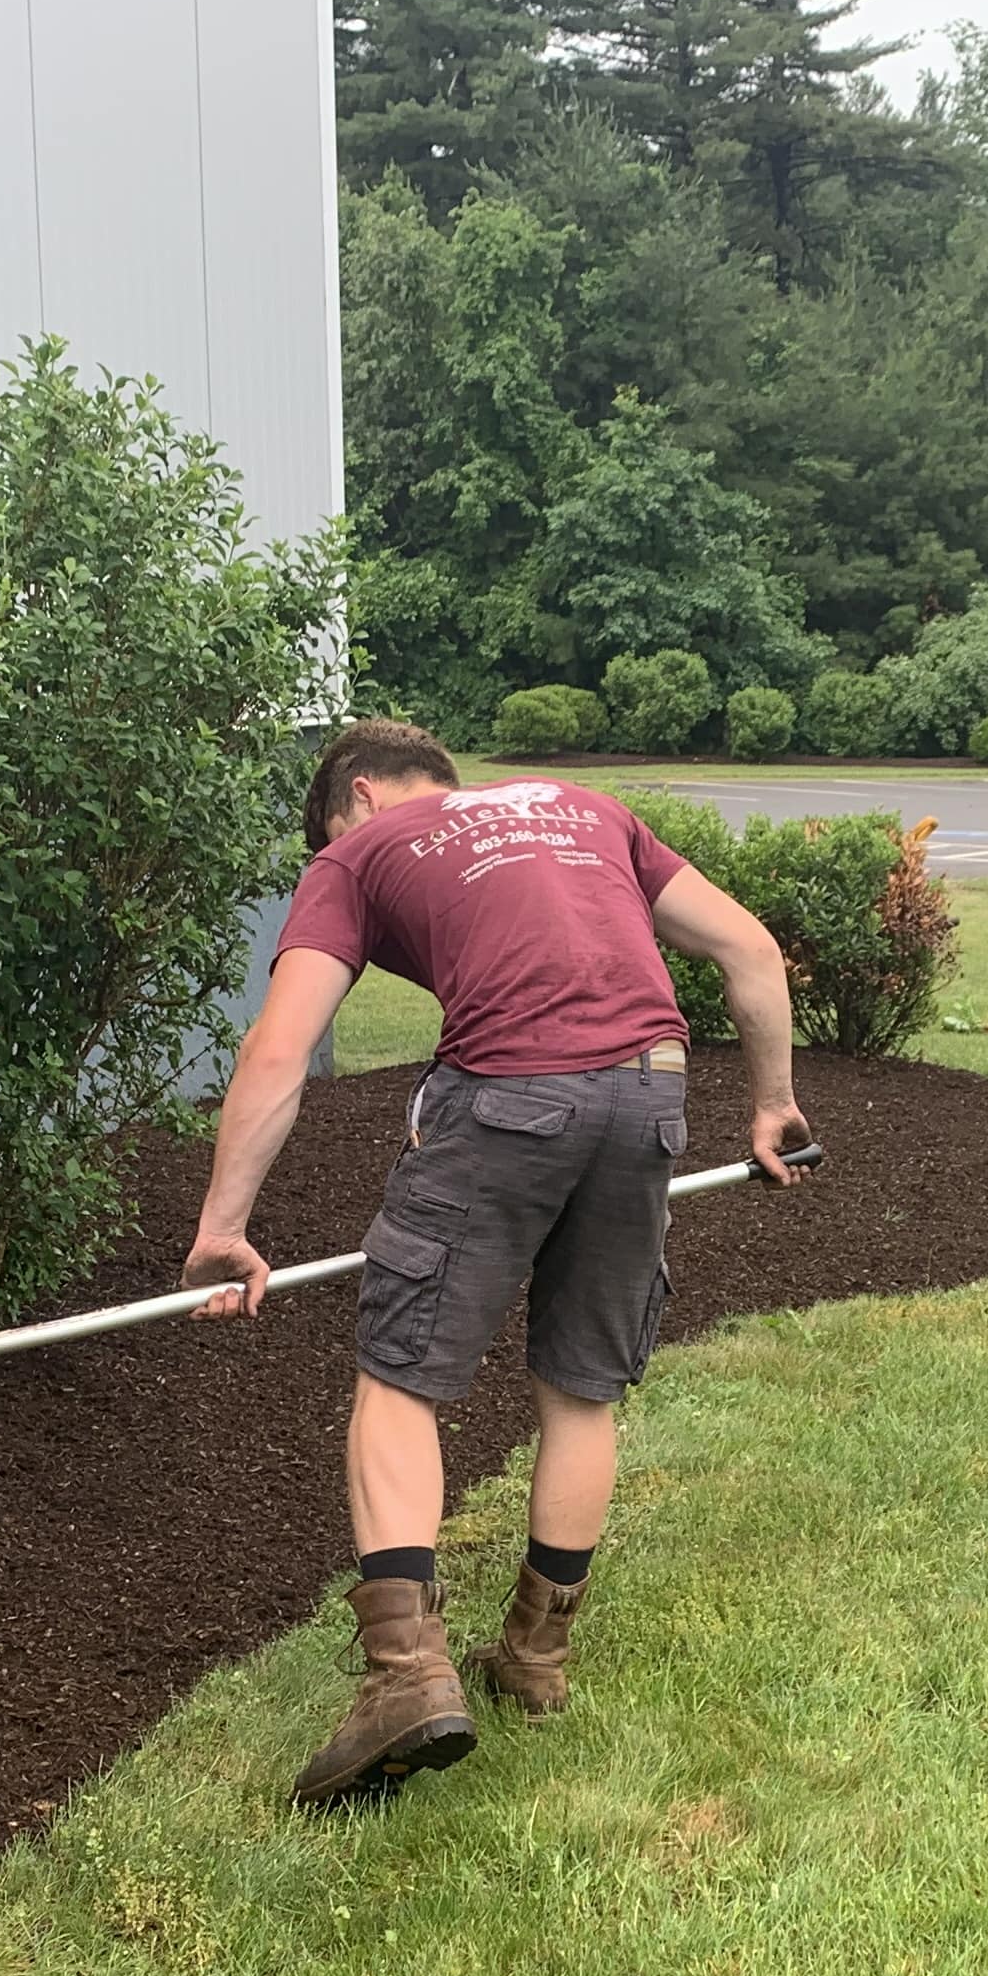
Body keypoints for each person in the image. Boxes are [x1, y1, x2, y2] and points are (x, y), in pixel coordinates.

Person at [183, 720, 811, 1805]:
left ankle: (402, 1678)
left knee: (400, 1380)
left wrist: (223, 1226)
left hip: (510, 1094)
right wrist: (771, 1108)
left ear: (360, 796)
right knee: (581, 1388)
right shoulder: (585, 809)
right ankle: (534, 1657)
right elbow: (750, 949)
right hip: (649, 1093)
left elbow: (276, 1048)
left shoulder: (358, 851)